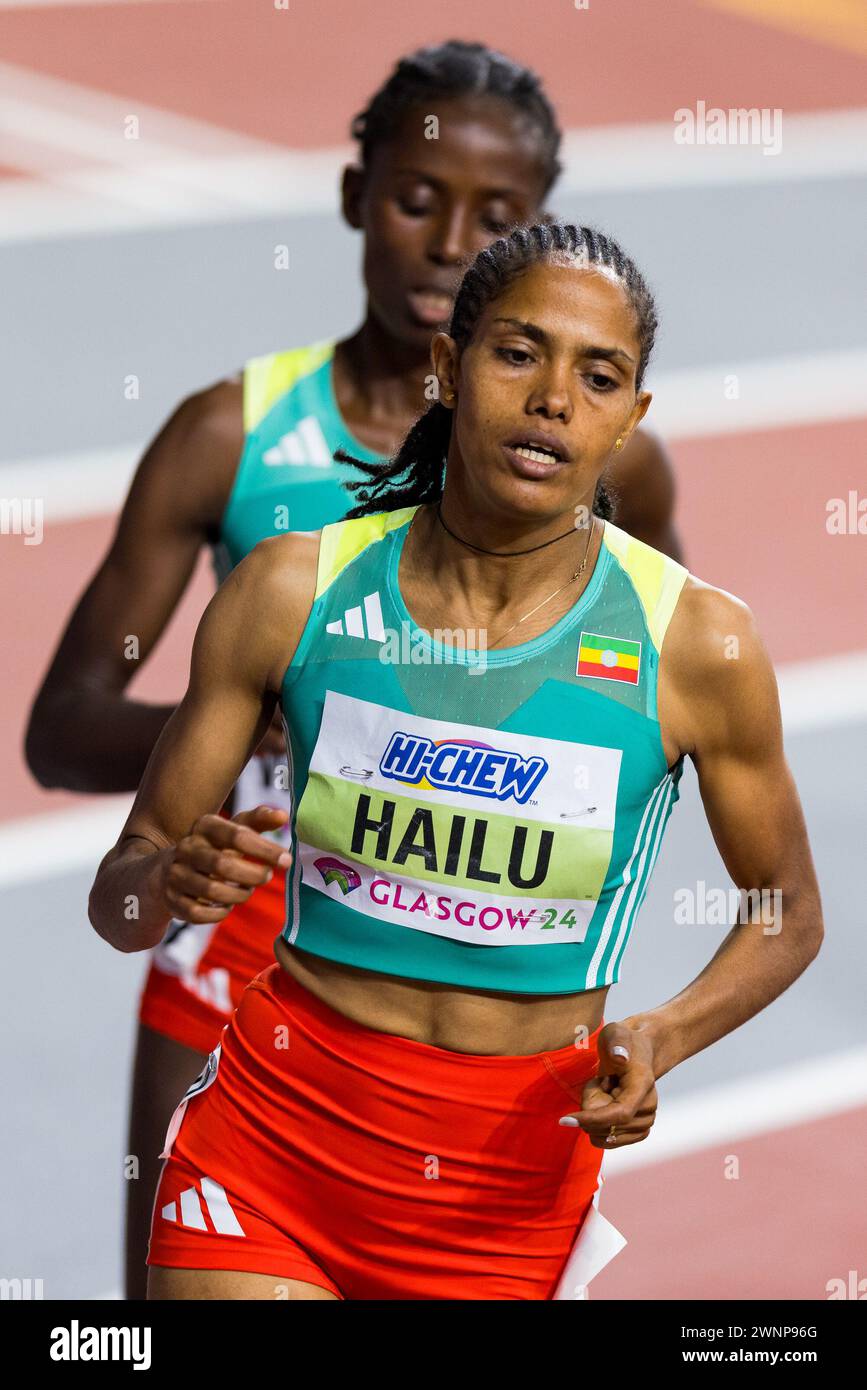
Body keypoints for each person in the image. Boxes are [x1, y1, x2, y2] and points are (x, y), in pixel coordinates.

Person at [27, 41, 680, 1299]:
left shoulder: (609, 465)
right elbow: (62, 729)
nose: (449, 242)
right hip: (234, 935)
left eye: (496, 216)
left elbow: (661, 711)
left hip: (469, 996)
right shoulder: (231, 434)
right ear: (354, 197)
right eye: (417, 198)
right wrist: (270, 724)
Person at [89, 220, 822, 1301]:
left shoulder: (696, 645)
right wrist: (163, 881)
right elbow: (119, 903)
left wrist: (663, 1036)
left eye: (599, 377)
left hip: (504, 1190)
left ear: (633, 417)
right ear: (447, 367)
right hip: (271, 1146)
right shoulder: (291, 592)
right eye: (517, 353)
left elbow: (786, 909)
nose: (553, 399)